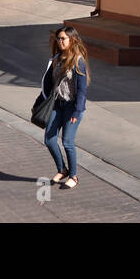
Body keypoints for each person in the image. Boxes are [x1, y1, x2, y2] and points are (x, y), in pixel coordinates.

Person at [42, 25, 89, 189]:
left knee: (68, 141)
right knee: (49, 139)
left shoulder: (78, 61)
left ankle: (74, 176)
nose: (60, 41)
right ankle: (62, 169)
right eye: (58, 38)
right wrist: (41, 102)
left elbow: (82, 90)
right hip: (56, 105)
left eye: (63, 39)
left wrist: (77, 110)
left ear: (72, 40)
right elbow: (48, 85)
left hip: (72, 107)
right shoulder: (55, 59)